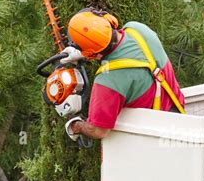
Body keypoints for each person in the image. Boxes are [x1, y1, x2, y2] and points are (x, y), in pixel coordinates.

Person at [62, 8, 185, 141]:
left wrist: (76, 126)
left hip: (154, 140)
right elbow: (129, 53)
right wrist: (84, 53)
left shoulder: (107, 81)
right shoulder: (138, 30)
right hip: (179, 119)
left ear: (93, 54)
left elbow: (98, 131)